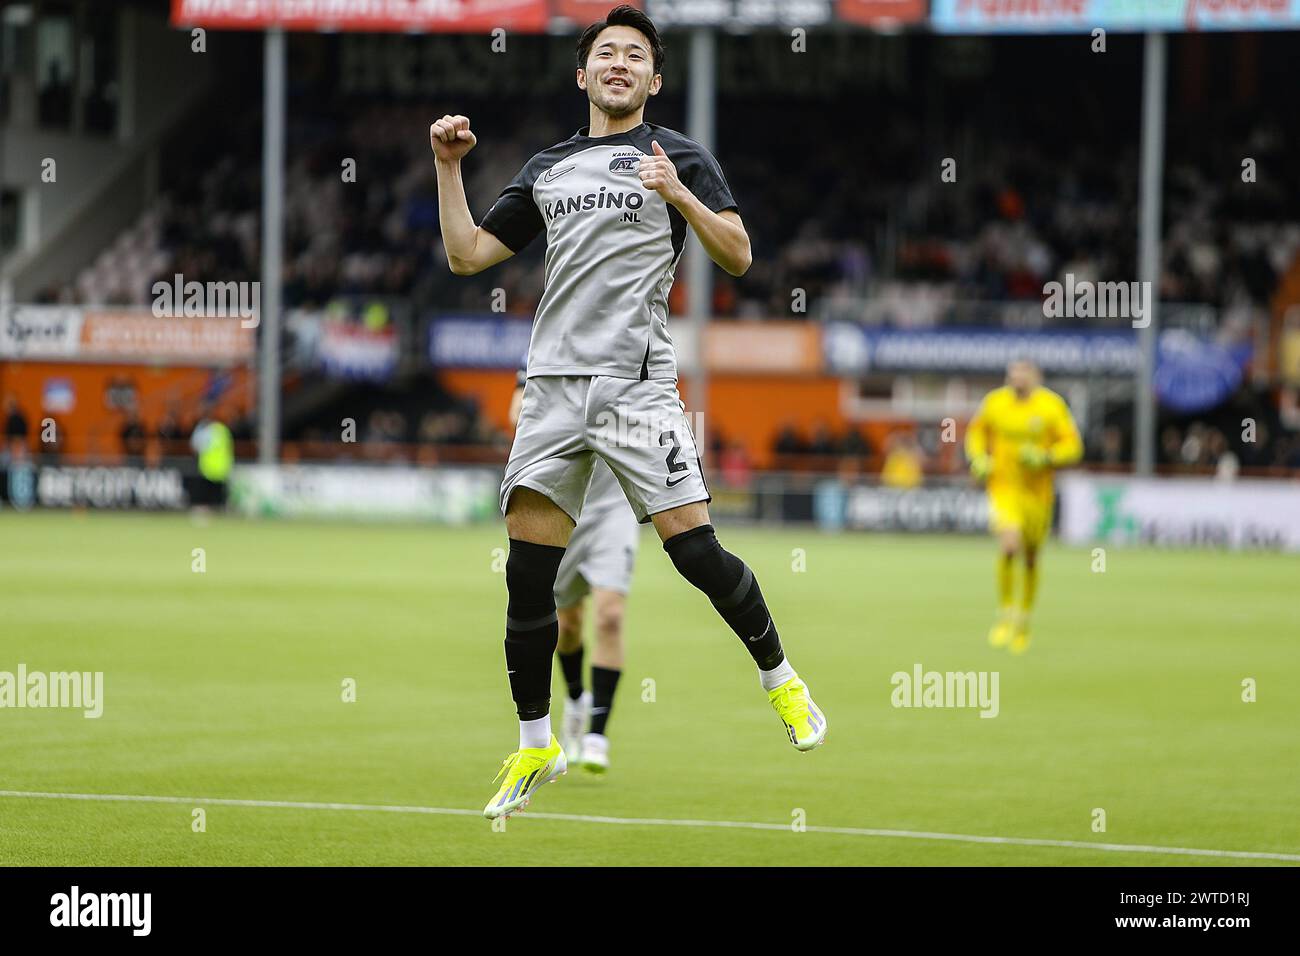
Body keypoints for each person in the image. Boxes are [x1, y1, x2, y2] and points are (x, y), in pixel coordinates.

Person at [432, 4, 827, 820]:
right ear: (582, 75)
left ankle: (781, 680)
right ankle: (538, 740)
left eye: (634, 55)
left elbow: (741, 254)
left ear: (654, 78)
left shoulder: (679, 154)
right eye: (604, 53)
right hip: (550, 390)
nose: (618, 63)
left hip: (636, 390)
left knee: (696, 552)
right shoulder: (548, 168)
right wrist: (447, 165)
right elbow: (468, 254)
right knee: (526, 575)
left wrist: (679, 192)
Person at [509, 373, 639, 774]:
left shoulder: (633, 339)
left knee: (610, 615)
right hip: (564, 496)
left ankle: (598, 733)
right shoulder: (553, 338)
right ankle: (577, 699)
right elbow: (518, 410)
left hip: (614, 504)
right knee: (566, 627)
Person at [965, 360, 1082, 654]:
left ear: (1036, 377)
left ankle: (1024, 619)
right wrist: (979, 459)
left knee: (1030, 557)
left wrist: (1045, 457)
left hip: (1038, 495)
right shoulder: (995, 403)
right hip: (1003, 488)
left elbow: (1073, 447)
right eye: (1012, 374)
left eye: (1023, 374)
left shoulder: (1051, 406)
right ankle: (1005, 614)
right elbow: (975, 434)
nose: (1017, 379)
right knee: (1009, 544)